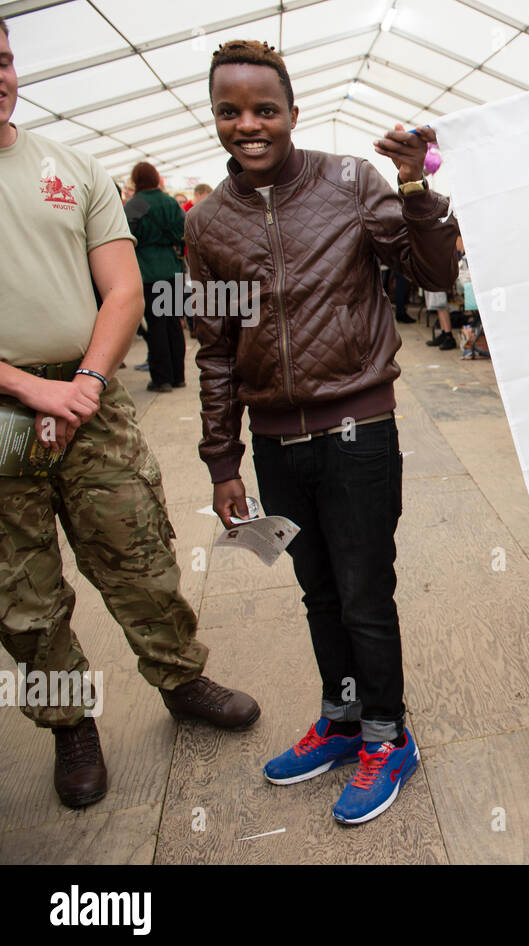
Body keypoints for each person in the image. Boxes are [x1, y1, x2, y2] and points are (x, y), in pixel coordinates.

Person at [187, 40, 459, 824]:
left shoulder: (351, 181)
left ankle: (387, 734)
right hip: (274, 444)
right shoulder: (207, 223)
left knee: (366, 593)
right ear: (216, 119)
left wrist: (416, 186)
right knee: (318, 593)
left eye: (264, 109)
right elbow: (212, 347)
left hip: (358, 429)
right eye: (230, 111)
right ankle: (342, 720)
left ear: (292, 114)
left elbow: (433, 273)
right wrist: (222, 459)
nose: (249, 124)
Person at [0, 15, 259, 811]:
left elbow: (121, 286)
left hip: (89, 397)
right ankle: (69, 723)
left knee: (138, 549)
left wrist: (82, 378)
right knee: (24, 591)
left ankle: (181, 676)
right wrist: (29, 389)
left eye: (5, 59)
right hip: (6, 414)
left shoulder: (69, 166)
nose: (1, 75)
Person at [124, 162, 187, 391]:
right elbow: (183, 231)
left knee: (156, 326)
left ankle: (162, 379)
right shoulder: (170, 202)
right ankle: (179, 375)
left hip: (148, 270)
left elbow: (125, 235)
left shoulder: (135, 205)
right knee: (174, 324)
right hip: (171, 268)